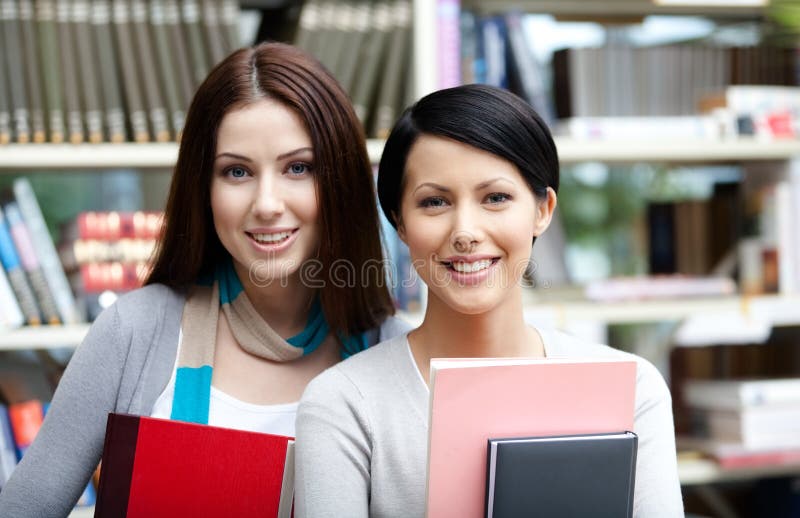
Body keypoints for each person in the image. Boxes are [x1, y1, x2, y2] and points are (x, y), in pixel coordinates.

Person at [0, 42, 409, 516]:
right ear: (204, 189)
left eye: (298, 168)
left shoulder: (392, 353)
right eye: (237, 172)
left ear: (340, 182)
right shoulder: (134, 333)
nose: (268, 203)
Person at [294, 84, 684, 517]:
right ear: (399, 223)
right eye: (434, 202)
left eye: (495, 198)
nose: (465, 231)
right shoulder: (345, 405)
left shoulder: (629, 389)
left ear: (543, 209)